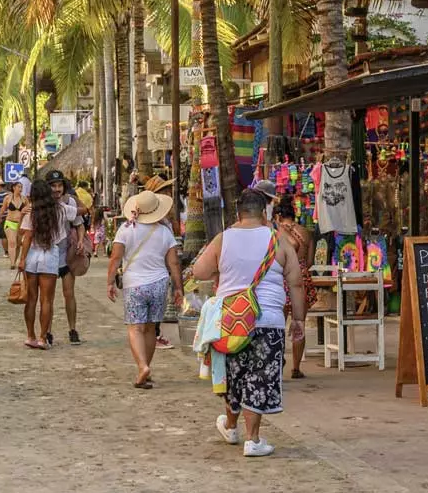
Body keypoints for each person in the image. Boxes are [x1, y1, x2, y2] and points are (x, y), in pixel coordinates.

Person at [196, 188, 306, 457]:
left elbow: (199, 271)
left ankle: (232, 426)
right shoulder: (278, 240)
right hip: (269, 319)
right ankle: (252, 439)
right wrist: (299, 320)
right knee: (259, 377)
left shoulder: (224, 239)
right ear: (265, 212)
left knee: (234, 375)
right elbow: (296, 282)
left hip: (232, 320)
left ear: (238, 213)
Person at [107, 191, 182, 389]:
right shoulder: (165, 232)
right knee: (150, 328)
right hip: (159, 283)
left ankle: (142, 367)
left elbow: (115, 258)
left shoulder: (125, 229)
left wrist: (110, 282)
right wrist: (178, 288)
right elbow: (174, 263)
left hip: (134, 284)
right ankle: (146, 366)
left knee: (135, 327)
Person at [15, 187, 62, 349]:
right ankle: (43, 337)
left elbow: (26, 236)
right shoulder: (58, 211)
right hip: (50, 254)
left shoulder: (31, 212)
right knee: (47, 300)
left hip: (32, 255)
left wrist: (21, 259)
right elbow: (82, 210)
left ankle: (30, 335)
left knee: (31, 299)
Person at [273, 195, 313, 379]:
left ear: (279, 216)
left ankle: (277, 366)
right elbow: (310, 260)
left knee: (278, 325)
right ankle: (296, 368)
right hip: (302, 278)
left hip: (282, 279)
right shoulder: (305, 232)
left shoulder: (277, 233)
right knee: (299, 323)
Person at [46, 171, 84, 345]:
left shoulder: (70, 202)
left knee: (69, 294)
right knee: (49, 297)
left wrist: (81, 240)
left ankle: (72, 329)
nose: (57, 189)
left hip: (66, 254)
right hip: (49, 255)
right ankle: (47, 331)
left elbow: (79, 223)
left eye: (59, 185)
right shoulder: (43, 204)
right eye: (53, 185)